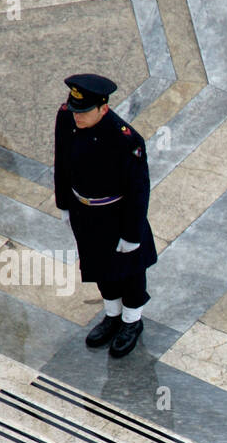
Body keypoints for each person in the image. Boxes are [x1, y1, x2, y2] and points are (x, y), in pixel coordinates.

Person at [53, 73, 157, 358]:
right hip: (83, 210)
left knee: (130, 272)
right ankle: (112, 315)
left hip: (116, 213)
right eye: (75, 110)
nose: (78, 117)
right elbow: (60, 160)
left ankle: (131, 322)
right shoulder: (66, 118)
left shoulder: (126, 140)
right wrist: (64, 202)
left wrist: (132, 234)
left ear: (104, 108)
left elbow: (139, 190)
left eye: (85, 111)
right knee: (97, 264)